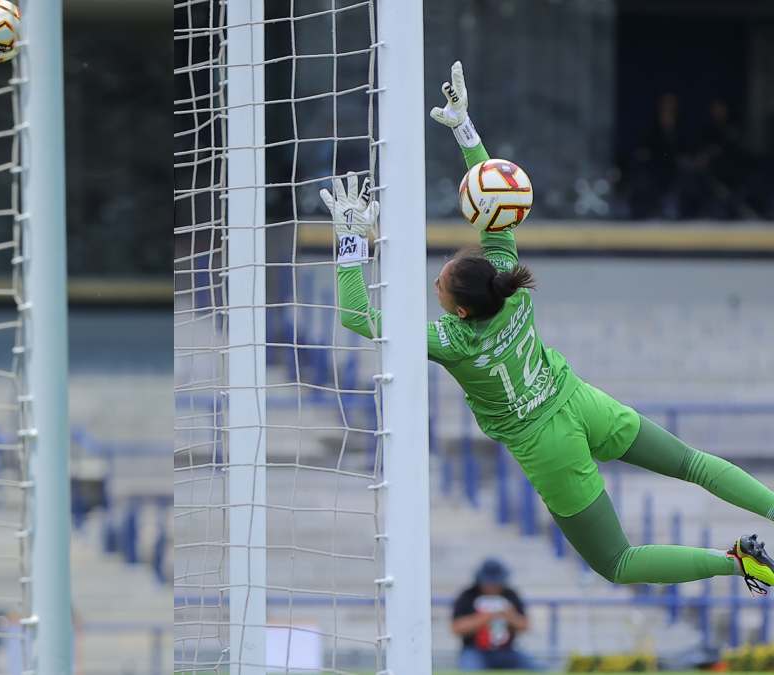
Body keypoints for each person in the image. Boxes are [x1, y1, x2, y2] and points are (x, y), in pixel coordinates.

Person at [322, 60, 774, 597]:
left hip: (548, 446)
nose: (436, 283)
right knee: (694, 464)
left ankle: (739, 563)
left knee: (618, 562)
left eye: (438, 286)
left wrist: (351, 240)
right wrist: (466, 131)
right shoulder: (510, 291)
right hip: (581, 402)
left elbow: (356, 315)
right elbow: (496, 200)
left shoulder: (450, 341)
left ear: (459, 310)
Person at [451, 559, 534, 671]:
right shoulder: (468, 595)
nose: (493, 586)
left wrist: (509, 616)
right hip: (475, 651)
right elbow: (456, 628)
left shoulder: (510, 595)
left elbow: (525, 625)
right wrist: (486, 617)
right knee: (470, 668)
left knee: (537, 667)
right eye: (489, 582)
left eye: (496, 582)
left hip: (507, 651)